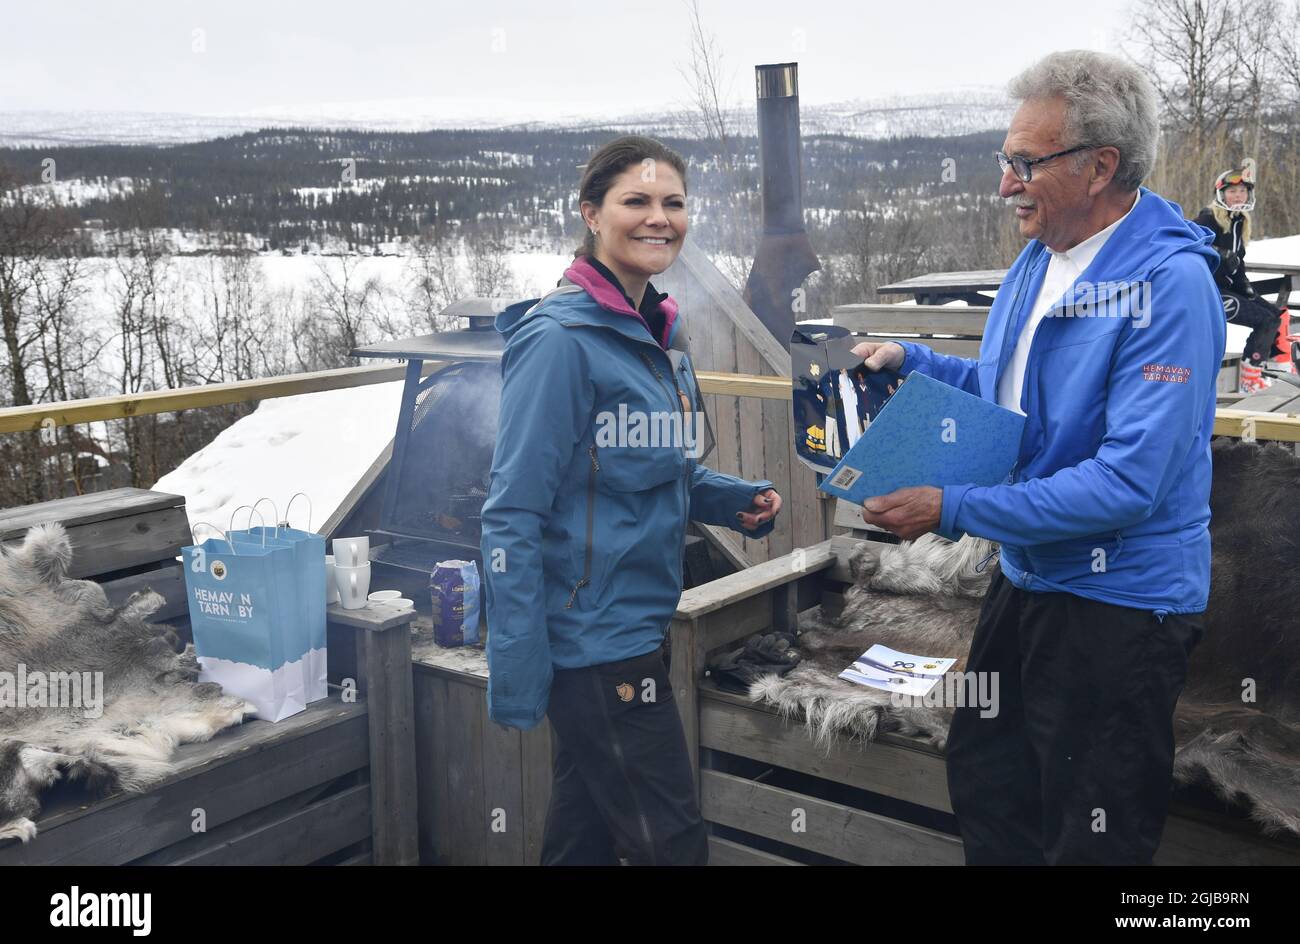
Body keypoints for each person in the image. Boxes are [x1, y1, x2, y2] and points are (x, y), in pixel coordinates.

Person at [853, 50, 1223, 865]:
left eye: (1025, 162)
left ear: (1100, 167)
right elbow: (1005, 394)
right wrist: (913, 363)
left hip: (1118, 606)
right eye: (1003, 160)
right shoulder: (1041, 259)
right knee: (988, 782)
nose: (1005, 183)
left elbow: (1128, 483)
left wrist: (949, 508)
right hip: (1028, 577)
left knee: (1090, 831)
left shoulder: (1171, 286)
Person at [479, 135, 782, 866]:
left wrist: (731, 498)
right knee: (669, 841)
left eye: (673, 203)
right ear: (590, 213)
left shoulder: (656, 335)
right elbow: (511, 511)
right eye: (636, 201)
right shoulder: (559, 340)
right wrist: (519, 659)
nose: (659, 218)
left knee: (583, 830)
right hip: (594, 645)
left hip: (635, 623)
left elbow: (651, 471)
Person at [1192, 162, 1291, 390]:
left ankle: (1275, 369)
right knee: (1264, 320)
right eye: (1232, 191)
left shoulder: (1239, 221)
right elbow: (1188, 242)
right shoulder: (1208, 219)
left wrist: (1245, 286)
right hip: (1209, 293)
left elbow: (1238, 263)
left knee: (1275, 315)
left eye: (1243, 191)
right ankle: (1250, 379)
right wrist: (1219, 252)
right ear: (1221, 194)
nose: (1238, 195)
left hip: (1228, 289)